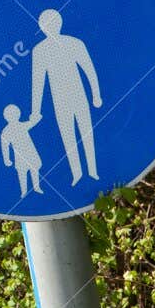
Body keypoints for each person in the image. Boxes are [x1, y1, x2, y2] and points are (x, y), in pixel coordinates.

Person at [28, 9, 102, 185]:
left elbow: (89, 70)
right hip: (59, 100)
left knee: (87, 132)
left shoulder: (74, 43)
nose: (50, 27)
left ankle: (92, 170)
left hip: (78, 95)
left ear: (59, 23)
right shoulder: (40, 51)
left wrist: (96, 94)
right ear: (42, 28)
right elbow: (38, 83)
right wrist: (35, 110)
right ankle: (76, 174)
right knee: (68, 137)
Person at [0, 103, 42, 197]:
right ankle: (24, 191)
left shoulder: (22, 125)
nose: (14, 116)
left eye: (15, 114)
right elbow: (5, 146)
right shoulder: (6, 131)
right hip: (20, 155)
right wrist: (6, 159)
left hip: (30, 152)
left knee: (34, 169)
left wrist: (37, 117)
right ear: (6, 117)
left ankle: (36, 187)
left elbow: (31, 123)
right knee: (22, 173)